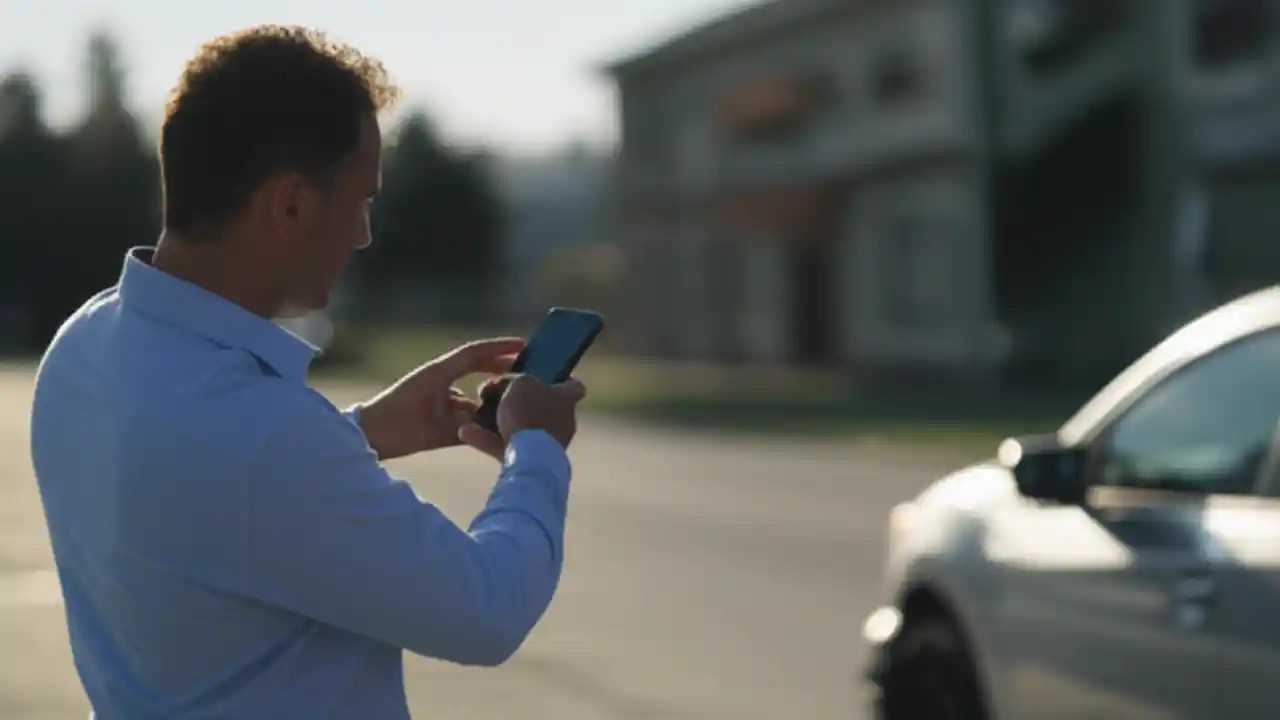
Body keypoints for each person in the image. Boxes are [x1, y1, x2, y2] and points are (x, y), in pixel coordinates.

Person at [28, 25, 586, 719]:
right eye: (362, 201)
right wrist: (535, 446)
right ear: (290, 204)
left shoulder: (82, 346)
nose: (363, 236)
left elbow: (203, 495)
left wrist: (361, 432)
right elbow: (486, 609)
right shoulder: (261, 438)